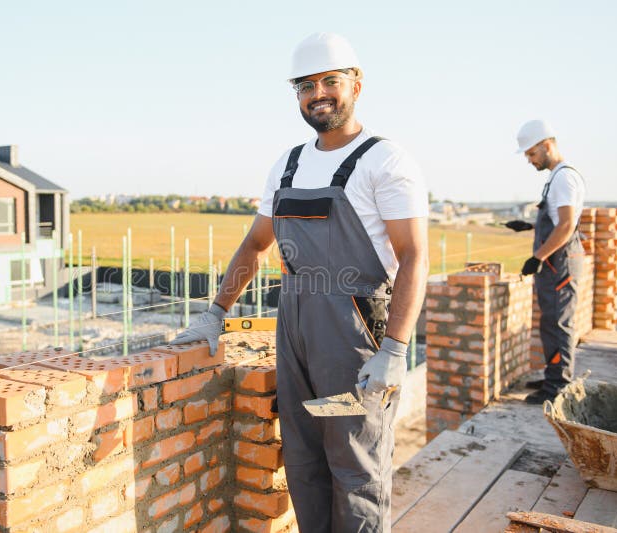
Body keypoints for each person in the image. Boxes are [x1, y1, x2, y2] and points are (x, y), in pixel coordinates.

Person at [171, 32, 429, 532]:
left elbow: (415, 255)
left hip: (354, 342)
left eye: (330, 81)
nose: (318, 94)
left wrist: (394, 349)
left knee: (355, 465)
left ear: (356, 85)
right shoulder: (288, 164)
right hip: (296, 335)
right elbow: (254, 245)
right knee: (305, 461)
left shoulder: (385, 161)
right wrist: (215, 313)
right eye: (305, 85)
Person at [512, 119, 586, 405]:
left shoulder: (564, 178)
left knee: (559, 323)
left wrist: (537, 257)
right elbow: (555, 221)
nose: (529, 160)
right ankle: (553, 375)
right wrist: (528, 226)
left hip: (560, 264)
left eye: (531, 154)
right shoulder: (556, 178)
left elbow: (566, 226)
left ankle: (559, 386)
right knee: (550, 322)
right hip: (557, 263)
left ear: (547, 145)